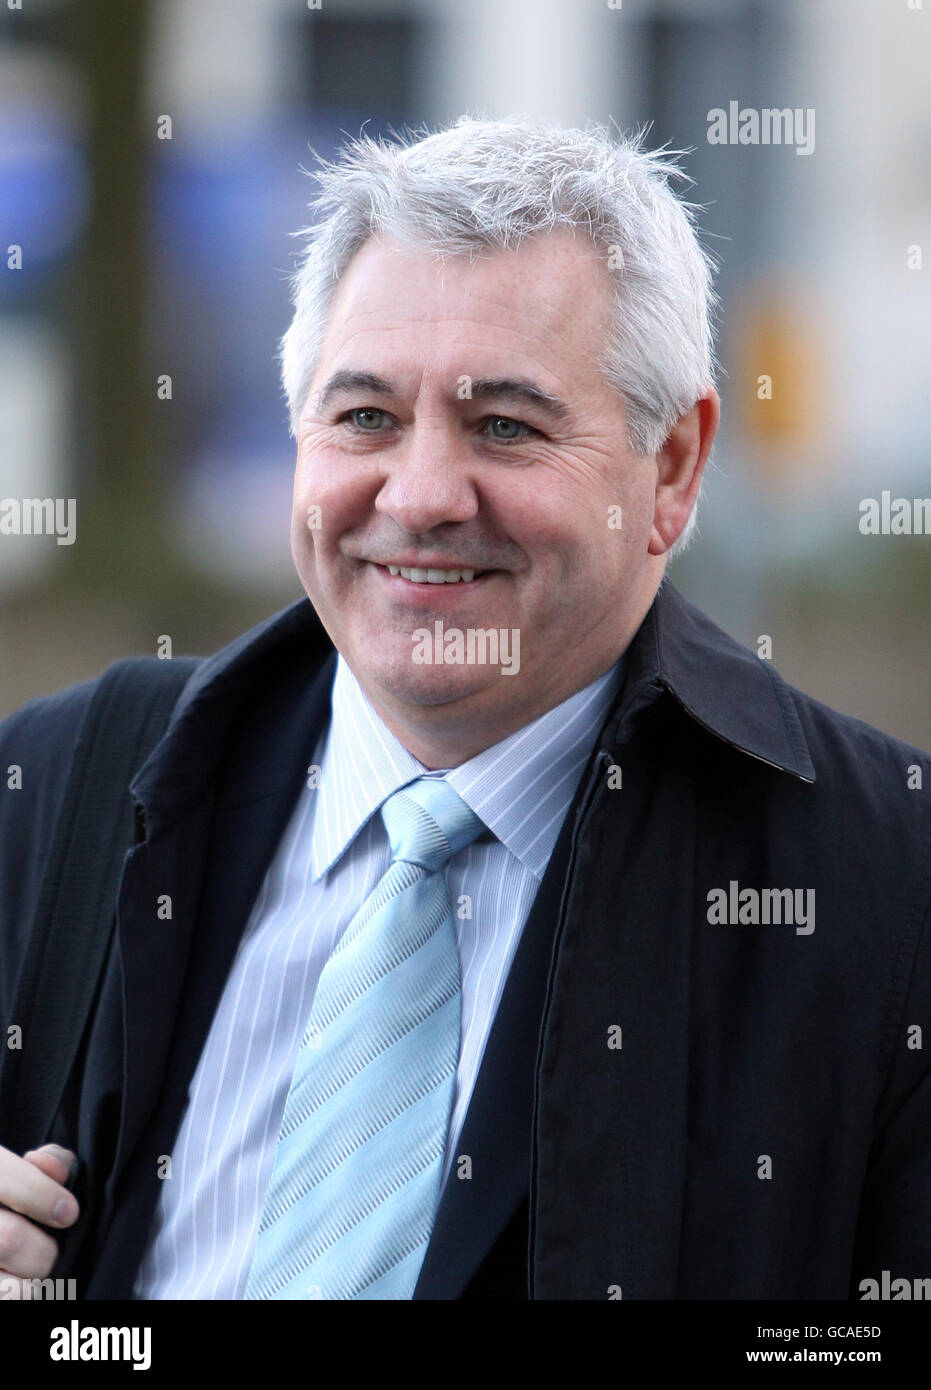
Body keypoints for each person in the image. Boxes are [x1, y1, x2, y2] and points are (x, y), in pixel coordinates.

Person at [0, 117, 928, 1301]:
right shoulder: (55, 792)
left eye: (505, 425)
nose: (423, 494)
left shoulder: (887, 900)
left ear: (674, 466)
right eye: (366, 418)